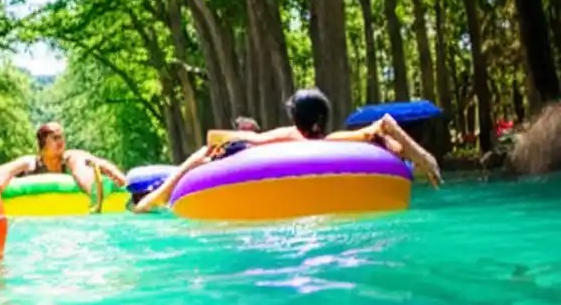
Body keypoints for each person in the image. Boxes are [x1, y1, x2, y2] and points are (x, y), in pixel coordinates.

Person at [132, 87, 443, 213]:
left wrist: (231, 141)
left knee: (200, 155)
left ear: (295, 118)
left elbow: (215, 140)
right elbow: (386, 125)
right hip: (250, 153)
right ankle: (154, 198)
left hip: (238, 155)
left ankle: (150, 202)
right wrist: (423, 158)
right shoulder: (334, 142)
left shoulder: (288, 137)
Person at [0, 122, 127, 208]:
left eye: (61, 137)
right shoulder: (31, 163)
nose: (60, 141)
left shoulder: (71, 157)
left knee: (78, 159)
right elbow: (0, 171)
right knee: (3, 174)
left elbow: (99, 163)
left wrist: (122, 181)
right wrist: (1, 180)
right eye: (55, 137)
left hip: (77, 209)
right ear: (43, 144)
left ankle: (94, 191)